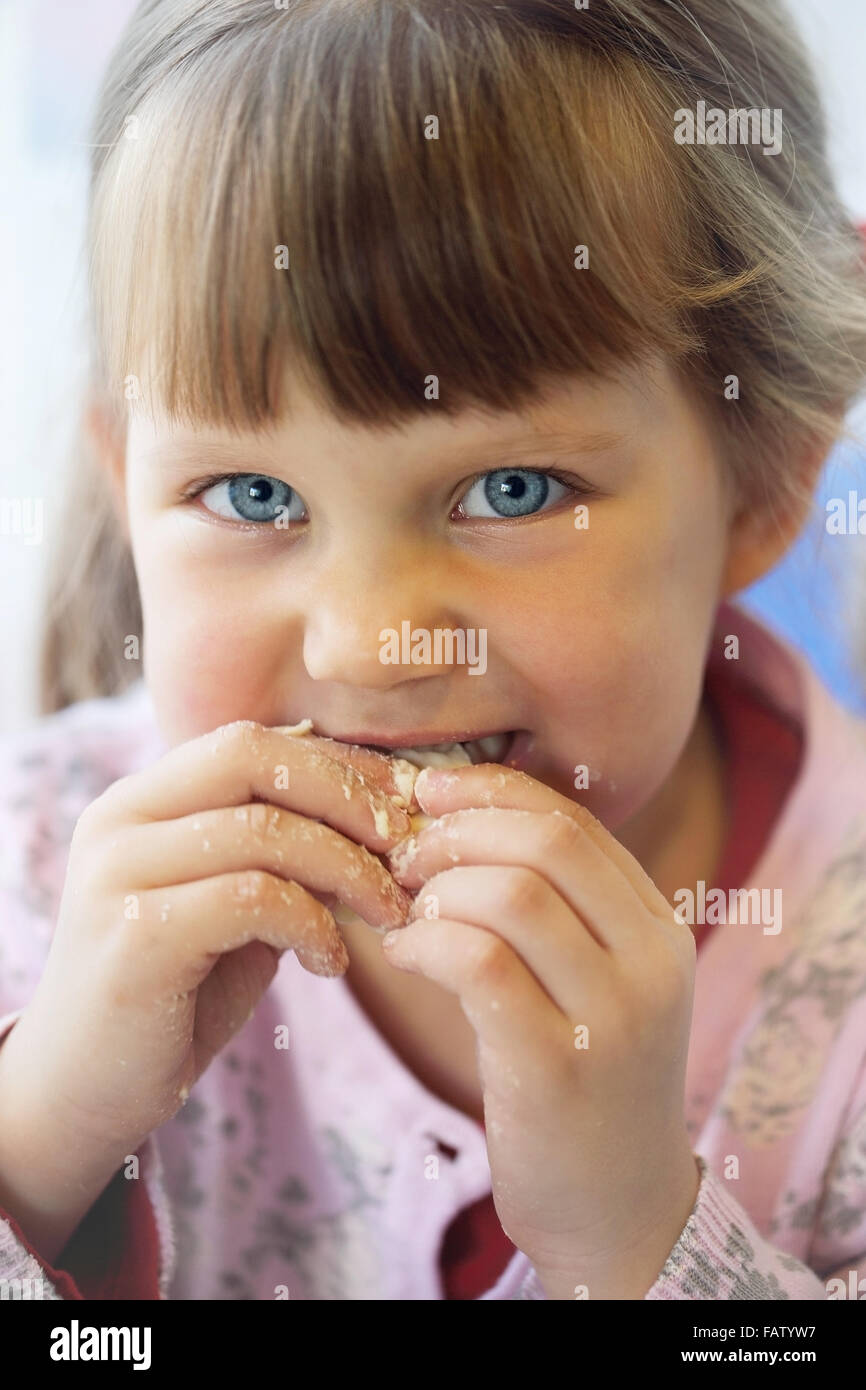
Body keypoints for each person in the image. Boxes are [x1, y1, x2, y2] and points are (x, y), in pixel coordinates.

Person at [1, 0, 865, 1301]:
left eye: (510, 488)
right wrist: (39, 1142)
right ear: (128, 482)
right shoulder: (34, 863)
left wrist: (642, 1243)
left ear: (764, 478)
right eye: (250, 497)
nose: (368, 644)